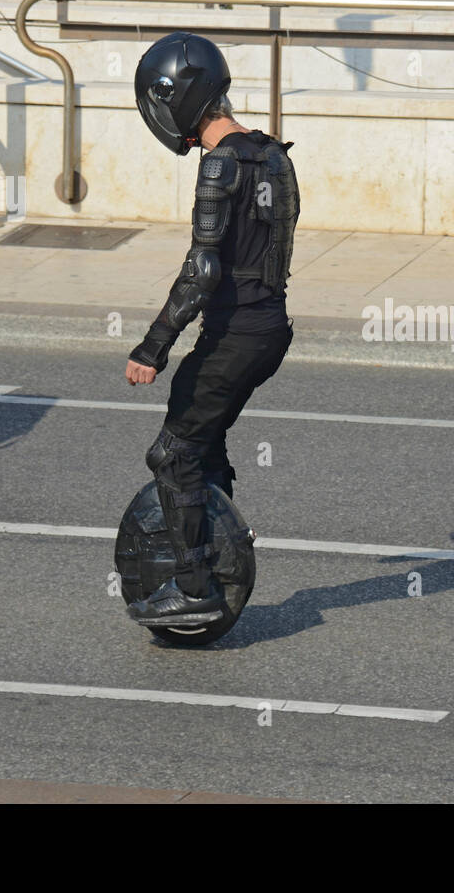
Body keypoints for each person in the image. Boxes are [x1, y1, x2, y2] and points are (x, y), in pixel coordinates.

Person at [124, 31, 299, 623]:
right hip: (268, 328)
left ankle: (195, 584)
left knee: (172, 455)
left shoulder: (219, 164)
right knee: (203, 440)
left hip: (237, 334)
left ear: (178, 98)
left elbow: (203, 268)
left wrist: (153, 346)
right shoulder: (274, 154)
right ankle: (221, 543)